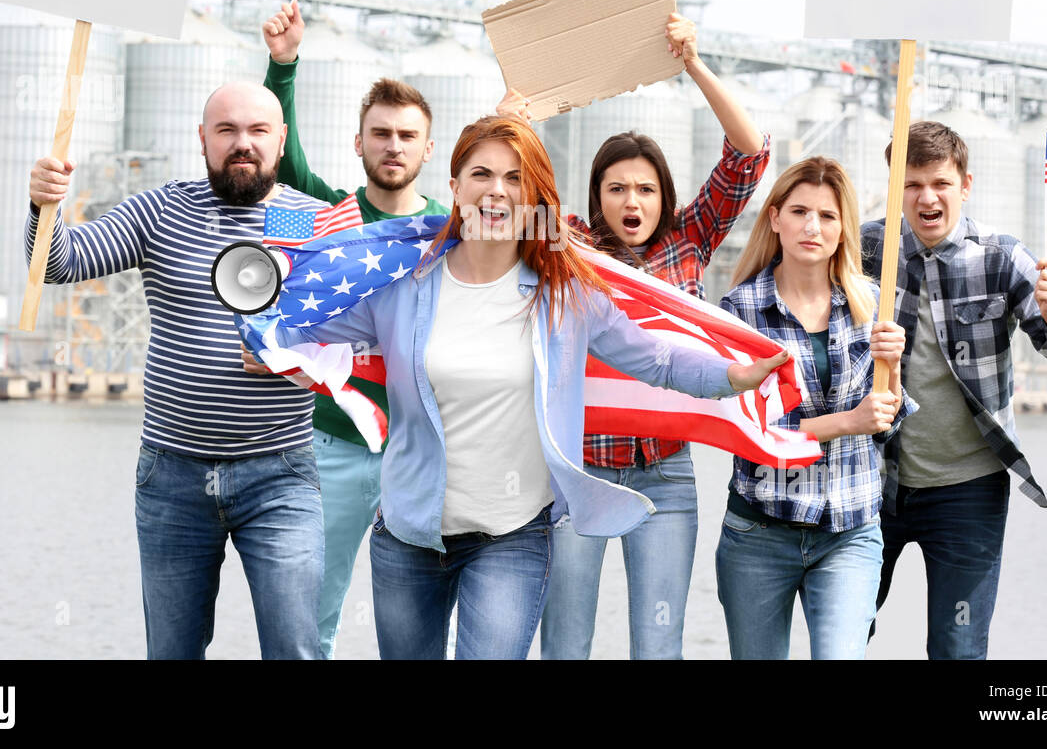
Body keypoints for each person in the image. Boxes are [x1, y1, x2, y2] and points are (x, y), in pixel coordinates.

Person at [264, 112, 789, 659]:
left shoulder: (565, 294)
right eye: (482, 174)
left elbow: (654, 357)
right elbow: (299, 325)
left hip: (512, 538)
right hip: (408, 537)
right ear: (455, 187)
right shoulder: (404, 284)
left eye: (516, 179)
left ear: (536, 198)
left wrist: (731, 375)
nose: (497, 190)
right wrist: (262, 311)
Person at [25, 81, 326, 659]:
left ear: (281, 139)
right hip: (172, 478)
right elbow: (61, 262)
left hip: (280, 473)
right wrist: (45, 205)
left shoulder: (310, 222)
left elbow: (357, 338)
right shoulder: (164, 209)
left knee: (295, 649)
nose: (244, 144)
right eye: (227, 131)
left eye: (259, 131)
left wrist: (295, 356)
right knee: (172, 652)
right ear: (203, 139)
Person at [520, 13, 771, 660]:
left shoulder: (689, 242)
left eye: (645, 188)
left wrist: (692, 63)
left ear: (664, 196)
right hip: (577, 473)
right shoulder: (570, 248)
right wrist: (512, 120)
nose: (631, 200)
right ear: (596, 196)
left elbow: (747, 156)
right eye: (617, 187)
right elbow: (514, 199)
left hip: (664, 476)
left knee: (659, 643)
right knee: (565, 644)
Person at [254, 1, 449, 659]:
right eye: (381, 133)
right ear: (360, 142)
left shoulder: (456, 230)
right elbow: (282, 171)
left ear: (428, 147)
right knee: (308, 617)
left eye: (406, 135)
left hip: (424, 453)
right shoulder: (329, 217)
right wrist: (284, 64)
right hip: (331, 448)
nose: (393, 145)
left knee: (417, 627)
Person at [861, 121, 1047, 659]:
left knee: (958, 646)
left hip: (968, 486)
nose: (927, 197)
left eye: (940, 183)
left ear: (965, 186)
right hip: (871, 480)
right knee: (845, 635)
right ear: (896, 187)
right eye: (912, 183)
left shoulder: (1000, 257)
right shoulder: (865, 248)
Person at [717, 156, 913, 659]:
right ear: (775, 218)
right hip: (760, 529)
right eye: (800, 211)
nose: (812, 226)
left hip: (849, 530)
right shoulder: (740, 312)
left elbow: (886, 425)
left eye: (827, 216)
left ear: (844, 227)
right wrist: (850, 420)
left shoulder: (874, 304)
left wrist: (891, 369)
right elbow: (754, 434)